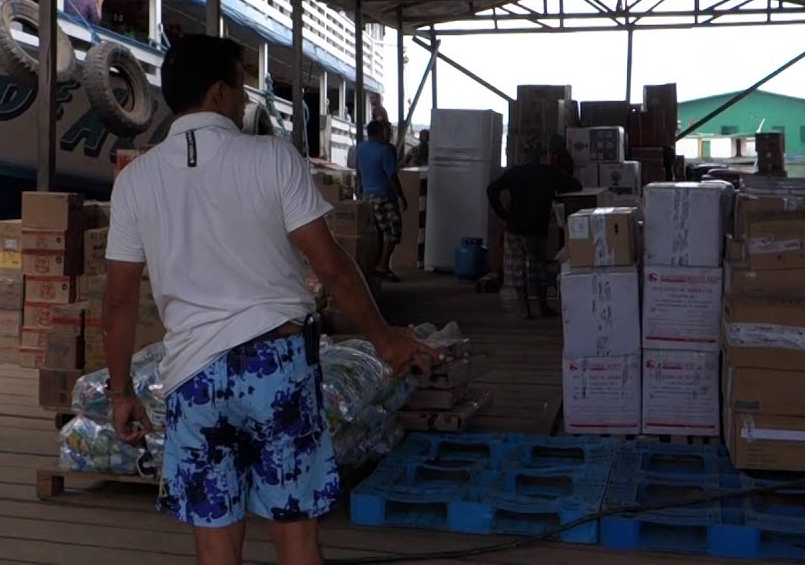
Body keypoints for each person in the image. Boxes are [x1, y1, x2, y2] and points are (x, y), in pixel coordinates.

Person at [102, 35, 437, 565]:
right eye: (240, 84)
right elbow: (331, 266)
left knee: (215, 541)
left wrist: (121, 392)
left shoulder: (135, 180)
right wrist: (384, 339)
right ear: (217, 91)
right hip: (277, 368)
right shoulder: (272, 158)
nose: (245, 99)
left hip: (193, 376)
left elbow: (119, 302)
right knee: (296, 535)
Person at [487, 138, 582, 319]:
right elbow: (576, 185)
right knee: (538, 269)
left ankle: (525, 310)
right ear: (543, 155)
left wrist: (502, 215)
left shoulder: (515, 172)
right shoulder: (549, 173)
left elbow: (491, 189)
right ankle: (543, 306)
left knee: (517, 270)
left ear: (524, 154)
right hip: (537, 230)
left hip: (514, 227)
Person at [357, 119, 408, 282]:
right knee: (393, 232)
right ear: (380, 133)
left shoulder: (361, 147)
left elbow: (358, 170)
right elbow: (392, 176)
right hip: (384, 197)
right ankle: (382, 266)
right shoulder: (384, 150)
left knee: (377, 233)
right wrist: (401, 196)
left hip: (367, 196)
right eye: (385, 132)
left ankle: (374, 265)